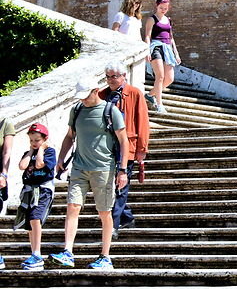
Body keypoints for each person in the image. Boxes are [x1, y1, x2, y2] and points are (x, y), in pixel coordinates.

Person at [51, 78, 130, 270]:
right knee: (72, 206)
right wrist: (61, 158)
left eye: (86, 96)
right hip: (79, 167)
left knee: (104, 212)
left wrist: (122, 170)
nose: (83, 100)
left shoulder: (110, 111)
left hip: (104, 168)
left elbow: (124, 141)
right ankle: (68, 251)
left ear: (96, 91)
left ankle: (105, 256)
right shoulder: (77, 110)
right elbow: (70, 136)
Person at [101, 62, 149, 232]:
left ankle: (112, 225)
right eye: (108, 77)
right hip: (106, 148)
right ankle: (126, 216)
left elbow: (142, 121)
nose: (111, 80)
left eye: (114, 76)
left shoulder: (134, 93)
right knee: (110, 185)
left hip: (127, 147)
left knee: (121, 185)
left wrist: (142, 149)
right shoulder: (102, 95)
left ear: (123, 76)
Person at [11, 123, 56, 272]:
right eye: (31, 140)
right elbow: (22, 166)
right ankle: (34, 254)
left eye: (37, 140)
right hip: (29, 191)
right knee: (30, 222)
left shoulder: (49, 152)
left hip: (43, 190)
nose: (34, 143)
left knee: (36, 218)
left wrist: (41, 150)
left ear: (45, 139)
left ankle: (37, 254)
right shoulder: (29, 152)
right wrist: (31, 151)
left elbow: (39, 165)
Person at [142, 0, 180, 113]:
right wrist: (147, 51)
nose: (163, 10)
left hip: (168, 48)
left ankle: (150, 95)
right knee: (160, 76)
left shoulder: (168, 20)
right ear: (157, 6)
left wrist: (176, 53)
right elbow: (147, 36)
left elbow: (171, 37)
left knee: (169, 79)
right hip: (156, 47)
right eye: (161, 7)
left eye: (166, 8)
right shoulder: (152, 19)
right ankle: (159, 104)